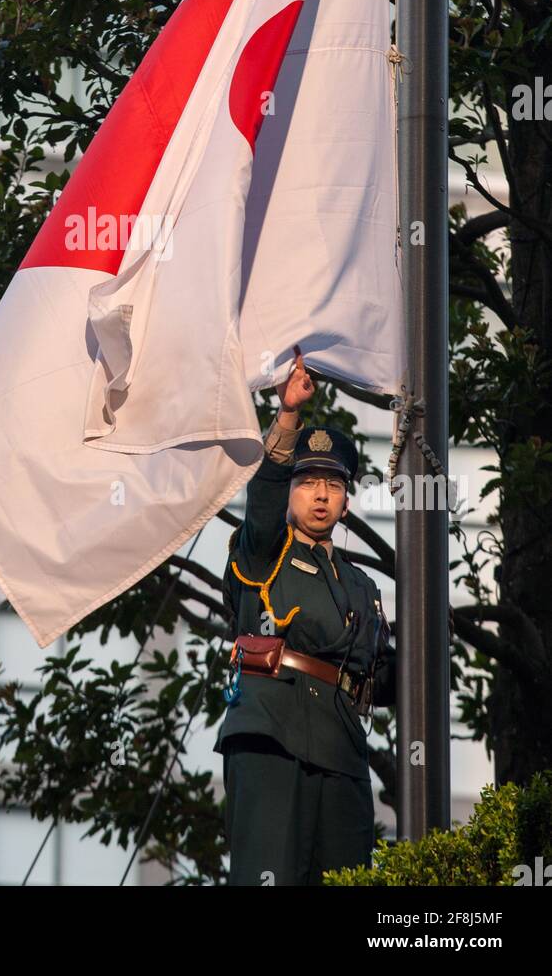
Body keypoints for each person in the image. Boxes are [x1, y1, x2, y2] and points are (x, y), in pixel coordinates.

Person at [215, 346, 396, 886]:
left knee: (345, 879)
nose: (321, 494)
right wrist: (287, 414)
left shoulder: (362, 586)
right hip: (272, 731)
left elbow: (380, 679)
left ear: (345, 501)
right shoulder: (262, 551)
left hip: (341, 745)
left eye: (334, 485)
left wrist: (425, 644)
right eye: (309, 482)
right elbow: (264, 492)